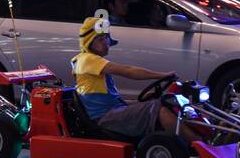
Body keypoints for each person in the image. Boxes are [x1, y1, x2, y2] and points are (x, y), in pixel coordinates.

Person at [71, 17, 204, 142]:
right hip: (105, 118)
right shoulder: (87, 59)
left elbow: (112, 101)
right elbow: (128, 71)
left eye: (106, 37)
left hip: (112, 112)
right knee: (161, 107)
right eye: (100, 39)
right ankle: (199, 143)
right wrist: (161, 75)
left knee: (166, 102)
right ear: (89, 41)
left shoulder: (92, 63)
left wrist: (138, 101)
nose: (105, 42)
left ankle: (206, 132)